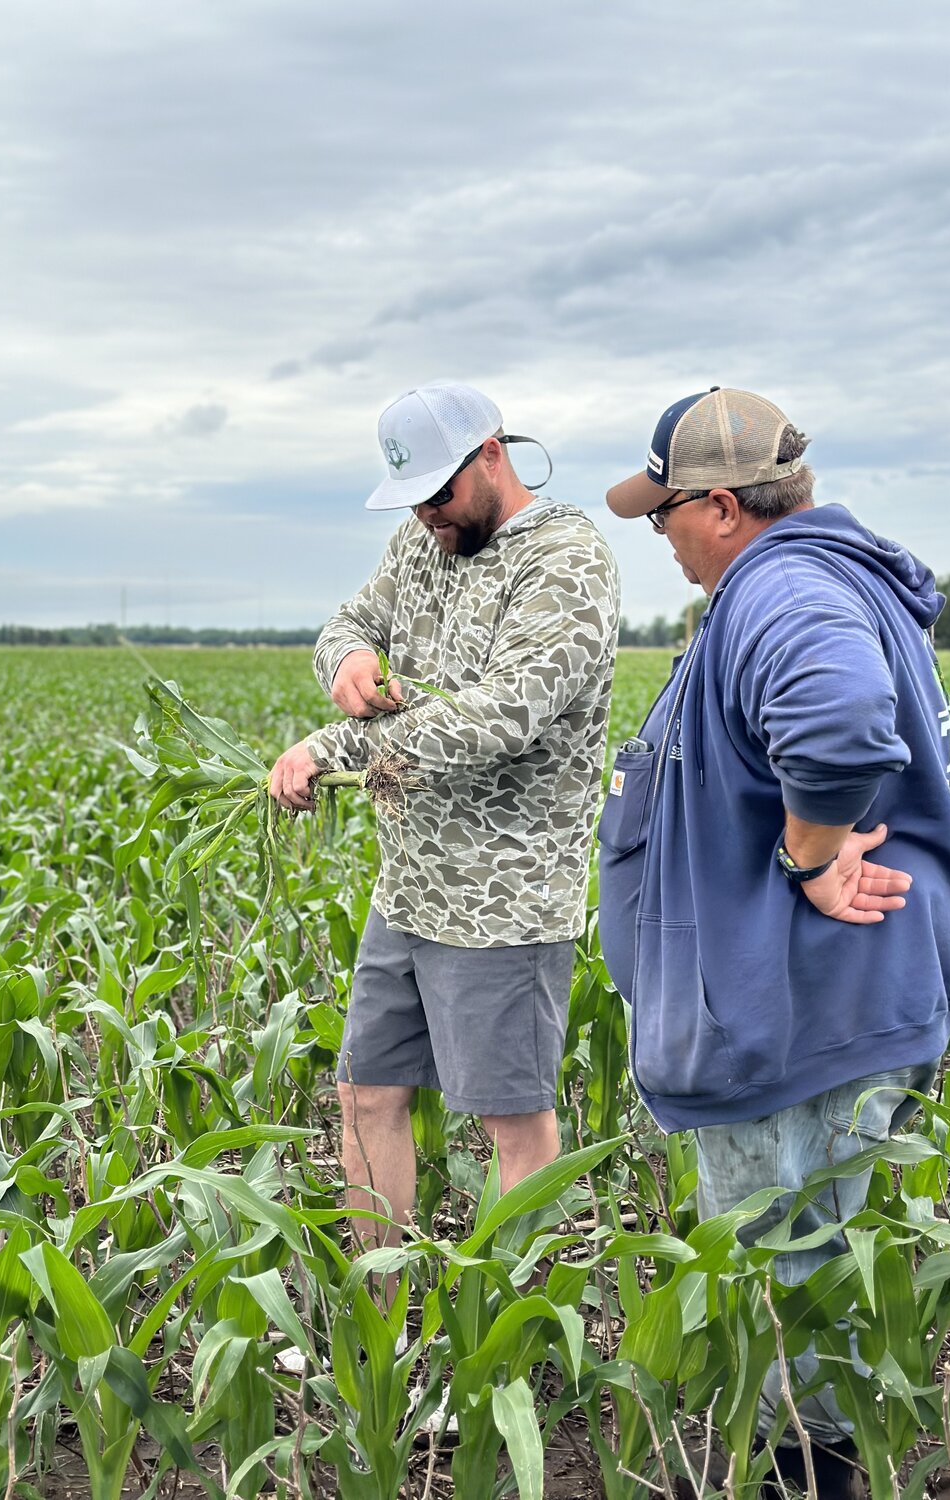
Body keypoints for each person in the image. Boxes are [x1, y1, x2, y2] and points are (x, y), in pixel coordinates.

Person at [598, 386, 950, 1498]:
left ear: (722, 506)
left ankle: (804, 1481)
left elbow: (838, 720)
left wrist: (810, 859)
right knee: (811, 1277)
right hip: (823, 1007)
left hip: (798, 1014)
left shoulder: (782, 588)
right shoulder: (818, 578)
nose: (660, 536)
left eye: (664, 514)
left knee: (790, 1289)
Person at [270, 380, 619, 1308]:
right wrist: (346, 662)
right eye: (412, 499)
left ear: (492, 454)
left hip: (504, 900)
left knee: (513, 1127)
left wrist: (336, 747)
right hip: (409, 887)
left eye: (438, 492)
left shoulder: (566, 562)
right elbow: (351, 622)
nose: (426, 514)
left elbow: (500, 715)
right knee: (366, 1095)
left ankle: (503, 1339)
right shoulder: (421, 537)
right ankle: (381, 1322)